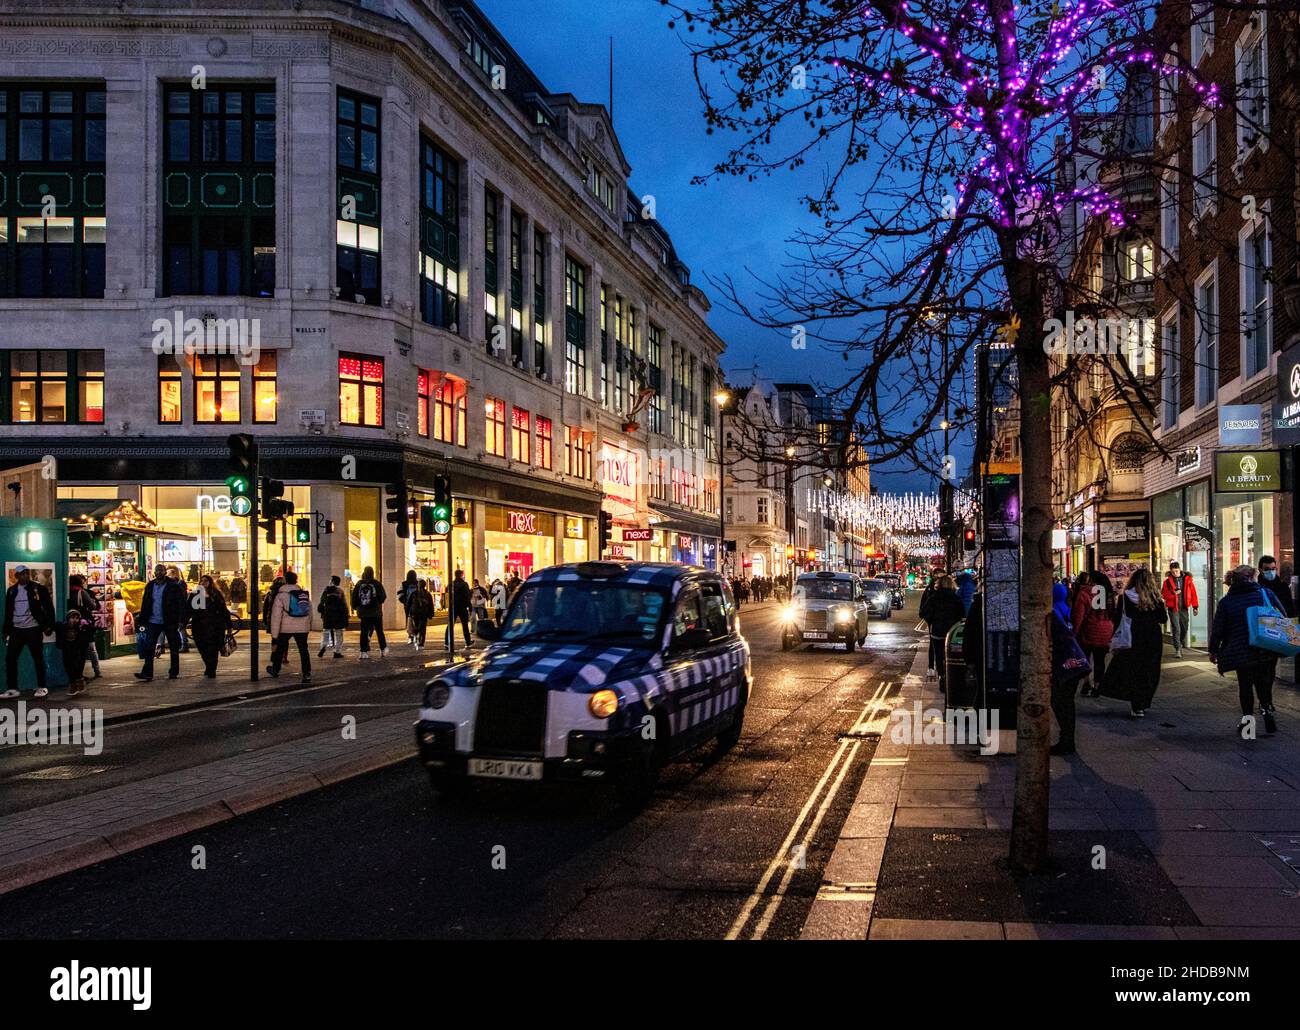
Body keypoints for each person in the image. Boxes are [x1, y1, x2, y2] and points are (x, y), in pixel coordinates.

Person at [1210, 565, 1279, 738]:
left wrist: (1213, 650)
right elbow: (1282, 616)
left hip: (1241, 651)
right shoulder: (1265, 594)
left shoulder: (1227, 601)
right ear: (1251, 578)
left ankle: (1248, 727)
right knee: (1264, 684)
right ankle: (1267, 711)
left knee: (1246, 687)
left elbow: (1218, 628)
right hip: (1265, 648)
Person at [1103, 569, 1167, 717]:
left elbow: (1118, 618)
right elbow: (1163, 619)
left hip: (1133, 636)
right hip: (1152, 638)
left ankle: (1136, 704)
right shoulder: (1156, 597)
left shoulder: (1126, 597)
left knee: (1135, 670)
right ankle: (1143, 702)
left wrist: (1113, 638)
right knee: (1150, 670)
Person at [2, 565, 56, 699]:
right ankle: (12, 689)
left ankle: (42, 687)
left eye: (27, 574)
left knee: (38, 658)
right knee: (10, 658)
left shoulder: (38, 589)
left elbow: (49, 607)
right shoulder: (12, 591)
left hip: (33, 628)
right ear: (17, 576)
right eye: (21, 574)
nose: (25, 576)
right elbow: (8, 612)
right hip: (16, 630)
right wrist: (6, 630)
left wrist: (49, 626)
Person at [134, 564, 187, 682]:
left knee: (173, 647)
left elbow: (181, 603)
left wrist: (181, 620)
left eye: (161, 570)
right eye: (157, 570)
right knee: (149, 647)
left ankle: (173, 671)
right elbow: (145, 603)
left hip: (169, 621)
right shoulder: (150, 586)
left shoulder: (173, 586)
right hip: (153, 620)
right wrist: (143, 620)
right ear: (154, 572)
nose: (159, 572)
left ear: (165, 572)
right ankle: (147, 672)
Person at [1049, 581, 1084, 756]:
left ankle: (1067, 740)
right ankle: (1067, 740)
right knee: (1066, 703)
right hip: (1073, 663)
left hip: (1064, 664)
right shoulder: (1065, 609)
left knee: (1060, 702)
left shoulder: (1053, 613)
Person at [1071, 570, 1114, 699]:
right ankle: (1097, 686)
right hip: (1105, 632)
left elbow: (1079, 615)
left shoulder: (1084, 594)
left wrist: (1075, 632)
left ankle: (1086, 682)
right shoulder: (1108, 594)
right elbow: (1113, 613)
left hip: (1088, 631)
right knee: (1100, 661)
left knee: (1085, 659)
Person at [919, 574, 965, 693]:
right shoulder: (956, 599)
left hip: (937, 632)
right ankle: (950, 677)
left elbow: (923, 612)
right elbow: (962, 615)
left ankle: (942, 678)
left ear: (938, 585)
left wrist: (931, 620)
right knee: (951, 656)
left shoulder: (934, 598)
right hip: (951, 633)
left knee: (939, 656)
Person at [268, 571, 312, 683]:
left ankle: (275, 669)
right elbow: (309, 612)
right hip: (302, 627)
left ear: (285, 581)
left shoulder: (281, 595)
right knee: (303, 650)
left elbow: (276, 616)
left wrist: (274, 634)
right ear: (296, 580)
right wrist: (308, 625)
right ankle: (306, 673)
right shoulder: (303, 594)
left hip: (285, 628)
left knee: (280, 649)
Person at [189, 575, 233, 679]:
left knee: (213, 649)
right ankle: (209, 666)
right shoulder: (195, 595)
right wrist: (182, 622)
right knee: (202, 648)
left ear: (210, 583)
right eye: (201, 581)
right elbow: (188, 609)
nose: (203, 583)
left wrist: (229, 626)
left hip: (215, 627)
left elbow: (224, 610)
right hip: (199, 627)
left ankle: (211, 669)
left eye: (206, 581)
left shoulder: (216, 594)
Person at [61, 574, 98, 696]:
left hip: (67, 627)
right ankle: (80, 678)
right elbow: (93, 606)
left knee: (69, 656)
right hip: (81, 625)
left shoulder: (64, 591)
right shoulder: (81, 593)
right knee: (81, 653)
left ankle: (74, 681)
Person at [1161, 561, 1199, 658]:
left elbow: (1193, 593)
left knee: (1184, 627)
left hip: (1184, 608)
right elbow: (1164, 595)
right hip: (1173, 608)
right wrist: (1173, 594)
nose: (1175, 574)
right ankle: (1178, 648)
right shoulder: (1167, 582)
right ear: (1170, 571)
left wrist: (1195, 607)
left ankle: (1180, 642)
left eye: (1176, 571)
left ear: (1179, 569)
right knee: (1176, 628)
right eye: (1173, 572)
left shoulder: (1187, 580)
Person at [351, 566, 388, 659]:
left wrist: (356, 607)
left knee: (364, 632)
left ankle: (363, 652)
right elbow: (383, 596)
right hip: (376, 612)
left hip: (363, 613)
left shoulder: (359, 584)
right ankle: (383, 649)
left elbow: (354, 597)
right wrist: (377, 603)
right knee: (379, 631)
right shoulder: (376, 584)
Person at [317, 575, 348, 658]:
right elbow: (344, 604)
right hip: (338, 615)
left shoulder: (326, 590)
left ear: (332, 581)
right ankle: (337, 651)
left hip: (327, 615)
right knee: (339, 633)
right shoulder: (340, 591)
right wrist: (346, 614)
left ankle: (323, 646)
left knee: (326, 632)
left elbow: (321, 602)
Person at [445, 569, 472, 650]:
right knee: (465, 625)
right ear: (461, 575)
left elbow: (447, 594)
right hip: (462, 607)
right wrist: (469, 606)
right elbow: (467, 596)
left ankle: (446, 642)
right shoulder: (464, 584)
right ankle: (467, 641)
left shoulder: (451, 584)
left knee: (450, 625)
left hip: (453, 606)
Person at [398, 571, 419, 645]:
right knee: (417, 620)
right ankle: (416, 634)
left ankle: (410, 636)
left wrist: (405, 602)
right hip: (417, 606)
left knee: (409, 619)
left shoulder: (404, 584)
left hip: (408, 606)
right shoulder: (418, 583)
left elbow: (400, 595)